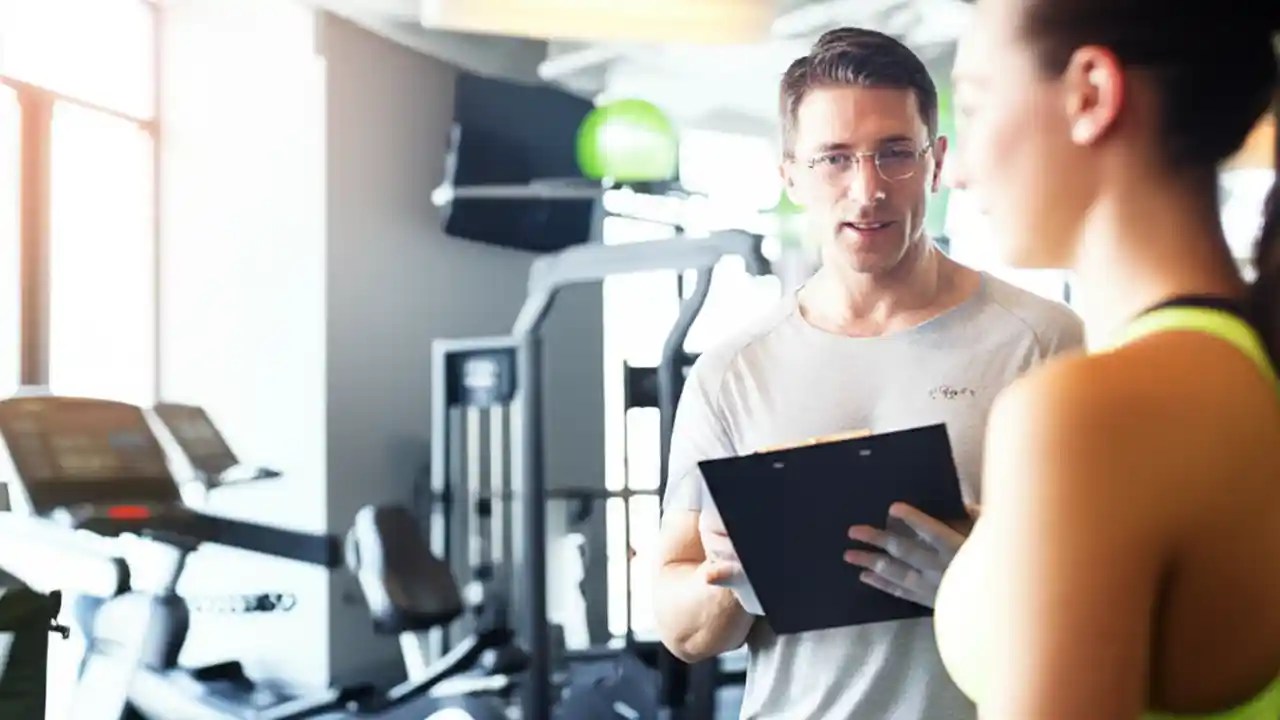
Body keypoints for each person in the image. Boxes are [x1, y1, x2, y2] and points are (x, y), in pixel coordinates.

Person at [848, 1, 1280, 718]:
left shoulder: (1091, 412)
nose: (958, 173)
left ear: (1091, 95)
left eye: (978, 106)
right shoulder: (1239, 369)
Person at [651, 27, 1085, 720]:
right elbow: (681, 629)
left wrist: (983, 582)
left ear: (936, 162)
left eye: (894, 154)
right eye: (834, 159)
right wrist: (739, 578)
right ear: (790, 173)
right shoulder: (732, 370)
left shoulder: (1043, 340)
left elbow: (1113, 589)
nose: (868, 190)